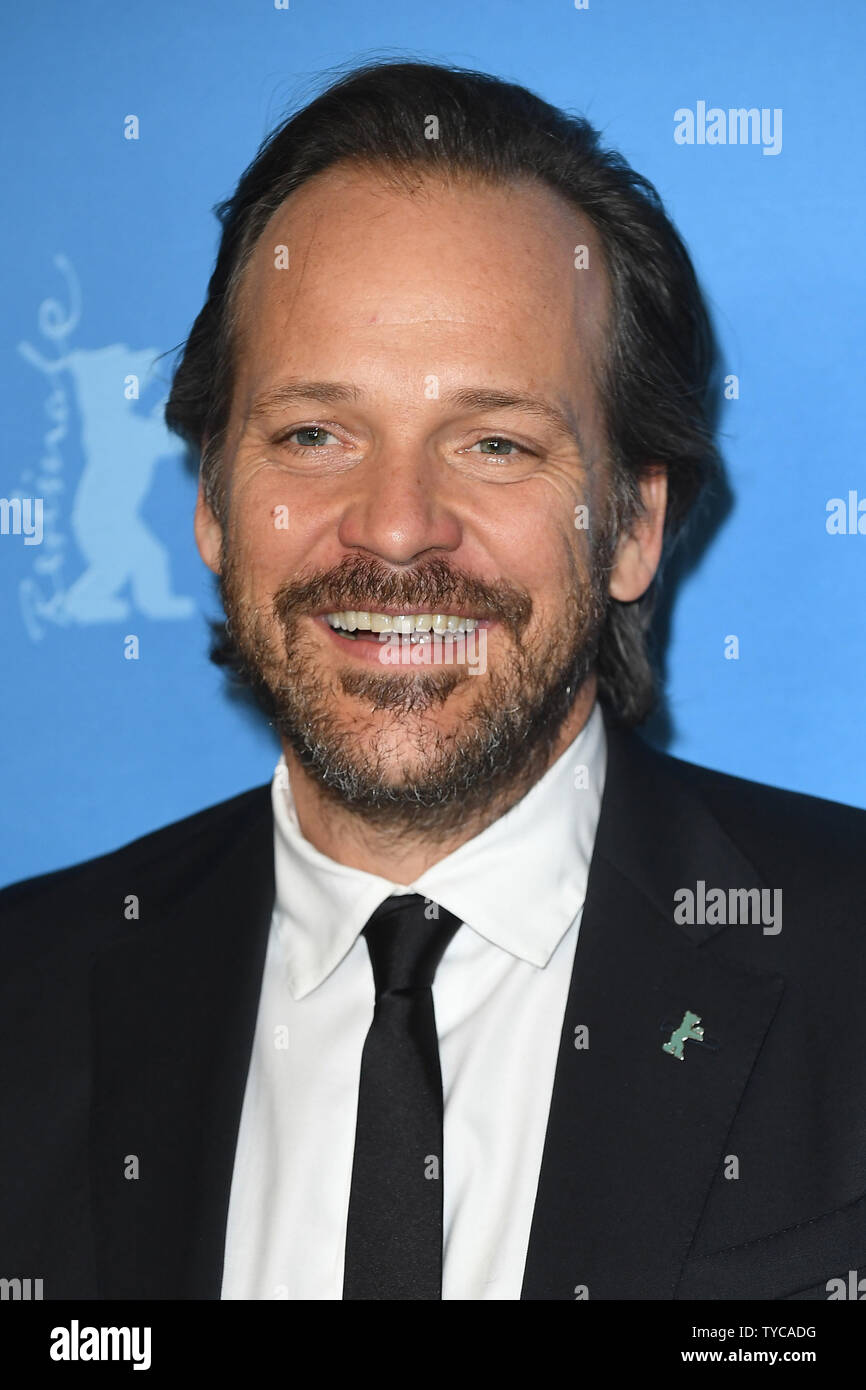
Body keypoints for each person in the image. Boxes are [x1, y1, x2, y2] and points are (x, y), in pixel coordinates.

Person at [2, 59, 864, 1303]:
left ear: (629, 528)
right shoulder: (23, 1003)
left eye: (494, 442)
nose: (395, 528)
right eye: (314, 433)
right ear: (210, 503)